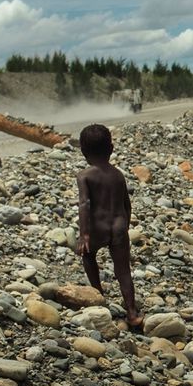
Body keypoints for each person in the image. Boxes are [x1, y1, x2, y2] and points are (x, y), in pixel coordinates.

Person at [76, 124, 142, 328]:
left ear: (83, 151)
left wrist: (84, 234)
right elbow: (126, 204)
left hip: (98, 227)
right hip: (119, 226)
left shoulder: (85, 176)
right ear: (111, 149)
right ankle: (132, 313)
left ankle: (100, 299)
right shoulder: (118, 174)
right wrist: (126, 225)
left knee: (88, 255)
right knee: (123, 270)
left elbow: (85, 204)